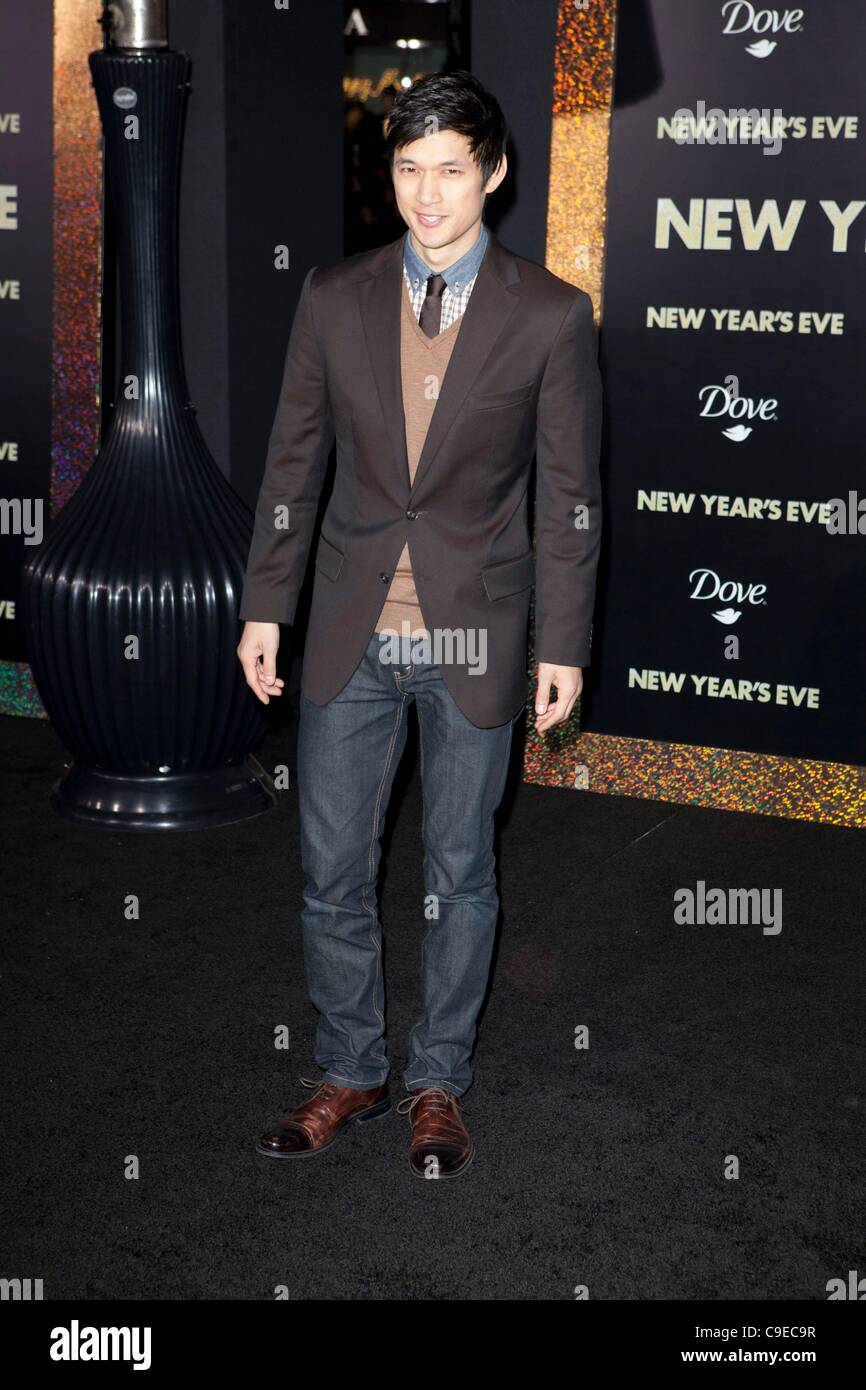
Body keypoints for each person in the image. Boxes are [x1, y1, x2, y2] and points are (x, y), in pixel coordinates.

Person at [236, 70, 603, 1179]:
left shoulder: (549, 315)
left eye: (450, 169)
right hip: (349, 631)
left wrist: (561, 642)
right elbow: (292, 463)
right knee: (329, 868)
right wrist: (266, 602)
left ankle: (438, 1077)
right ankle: (351, 1066)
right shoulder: (332, 297)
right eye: (407, 168)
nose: (427, 193)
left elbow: (568, 494)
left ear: (492, 173)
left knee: (460, 869)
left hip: (473, 637)